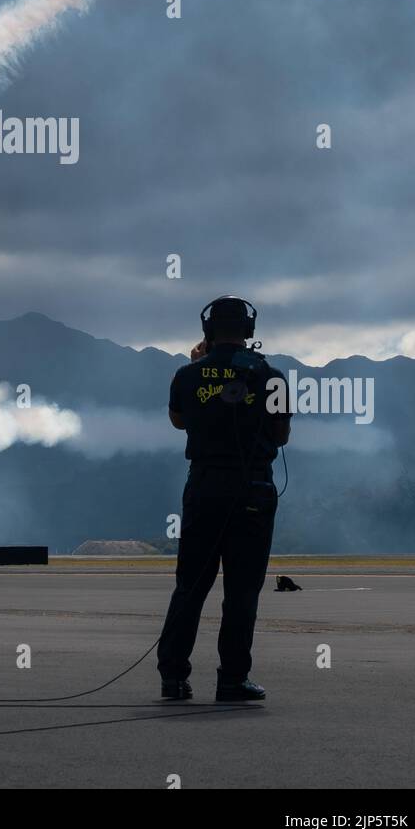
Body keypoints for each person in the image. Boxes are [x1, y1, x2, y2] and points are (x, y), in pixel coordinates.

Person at [157, 296, 290, 703]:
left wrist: (203, 369)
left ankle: (173, 678)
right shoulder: (273, 378)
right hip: (251, 490)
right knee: (242, 590)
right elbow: (281, 435)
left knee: (190, 586)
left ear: (207, 331)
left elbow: (178, 420)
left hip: (203, 487)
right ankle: (232, 679)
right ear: (248, 331)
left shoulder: (186, 374)